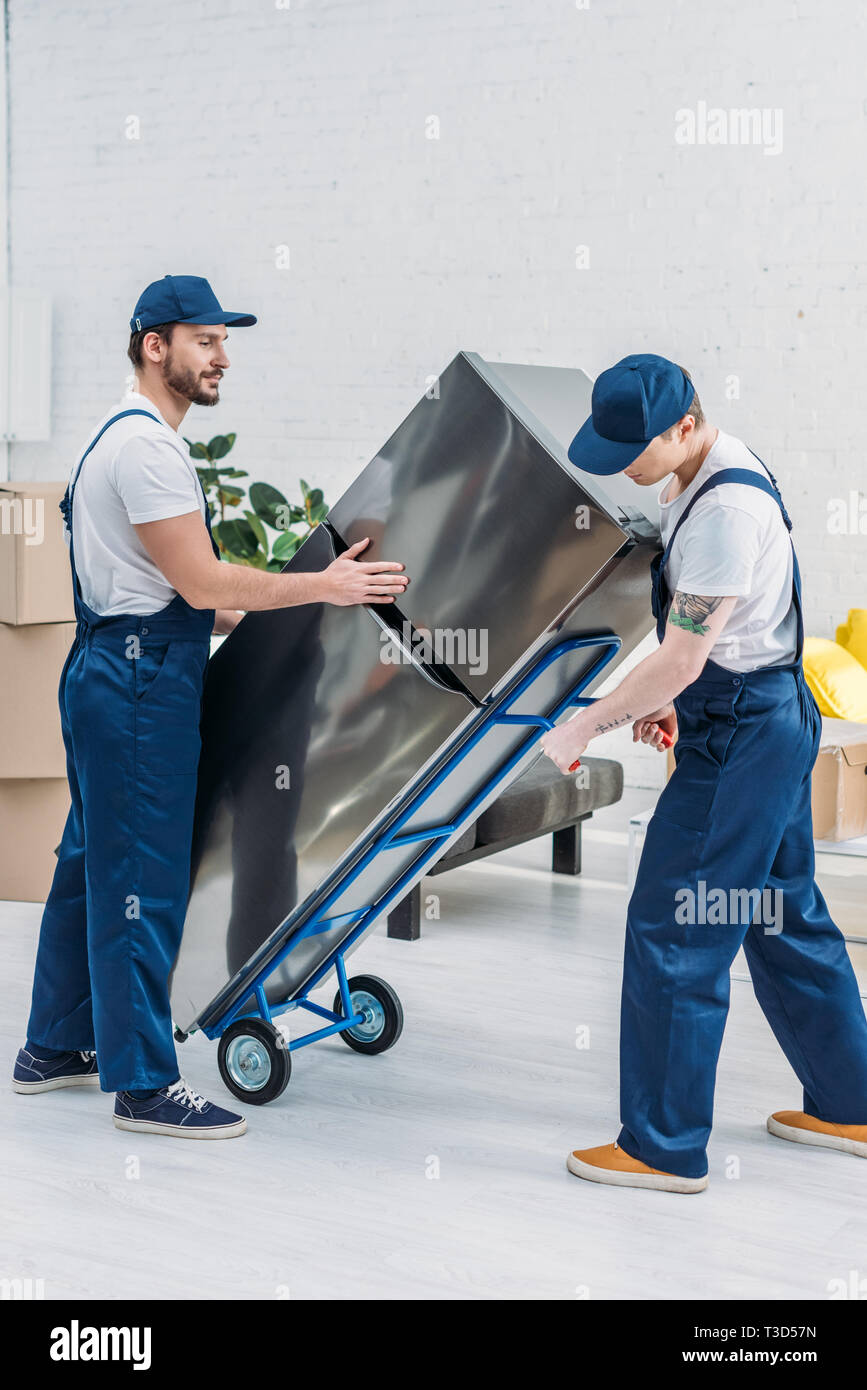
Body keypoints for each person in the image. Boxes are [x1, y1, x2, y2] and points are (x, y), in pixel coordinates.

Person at [13, 274, 409, 1139]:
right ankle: (144, 1087)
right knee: (141, 881)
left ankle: (53, 1047)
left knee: (90, 862)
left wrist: (309, 599)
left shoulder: (118, 439)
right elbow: (200, 582)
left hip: (114, 665)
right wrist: (327, 584)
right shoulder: (148, 450)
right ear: (154, 346)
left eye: (225, 339)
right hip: (141, 685)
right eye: (203, 339)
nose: (221, 355)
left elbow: (191, 597)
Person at [541, 353, 867, 1193]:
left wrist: (582, 726)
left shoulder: (721, 510)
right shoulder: (715, 466)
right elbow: (713, 649)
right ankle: (849, 1106)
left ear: (683, 423)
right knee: (778, 911)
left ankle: (662, 1146)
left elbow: (681, 659)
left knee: (676, 927)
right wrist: (687, 695)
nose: (623, 466)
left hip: (742, 741)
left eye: (634, 449)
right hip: (765, 714)